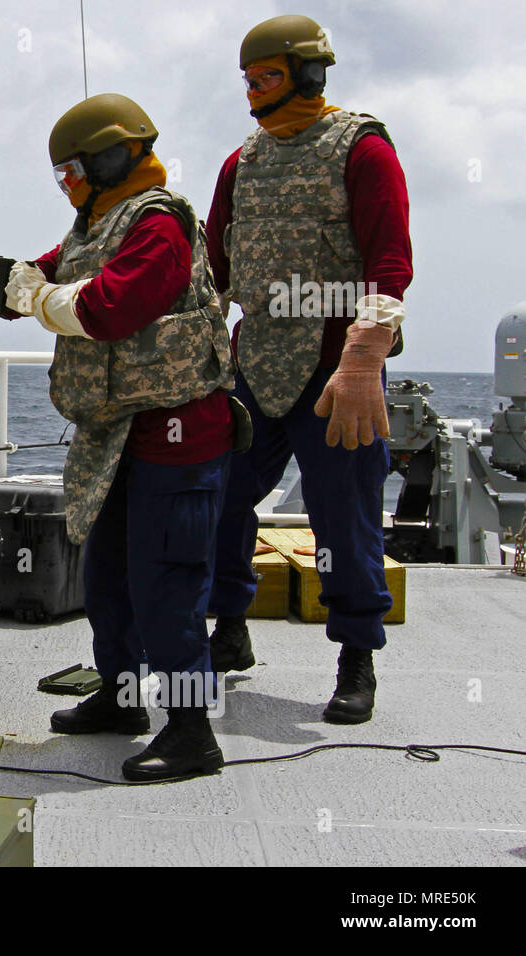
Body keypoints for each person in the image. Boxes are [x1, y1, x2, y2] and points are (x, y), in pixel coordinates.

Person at [1, 93, 237, 781]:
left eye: (71, 170)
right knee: (108, 580)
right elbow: (41, 278)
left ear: (109, 157)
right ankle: (122, 696)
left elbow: (107, 309)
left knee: (169, 588)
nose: (67, 185)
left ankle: (192, 732)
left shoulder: (158, 225)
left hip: (179, 436)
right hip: (117, 435)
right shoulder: (94, 228)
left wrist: (33, 298)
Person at [204, 14, 413, 724]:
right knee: (219, 498)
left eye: (269, 78)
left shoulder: (364, 150)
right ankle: (227, 629)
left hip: (336, 376)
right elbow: (213, 275)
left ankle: (357, 658)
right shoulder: (244, 163)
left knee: (344, 520)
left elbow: (391, 263)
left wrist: (362, 360)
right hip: (253, 366)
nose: (257, 94)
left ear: (309, 74)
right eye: (250, 82)